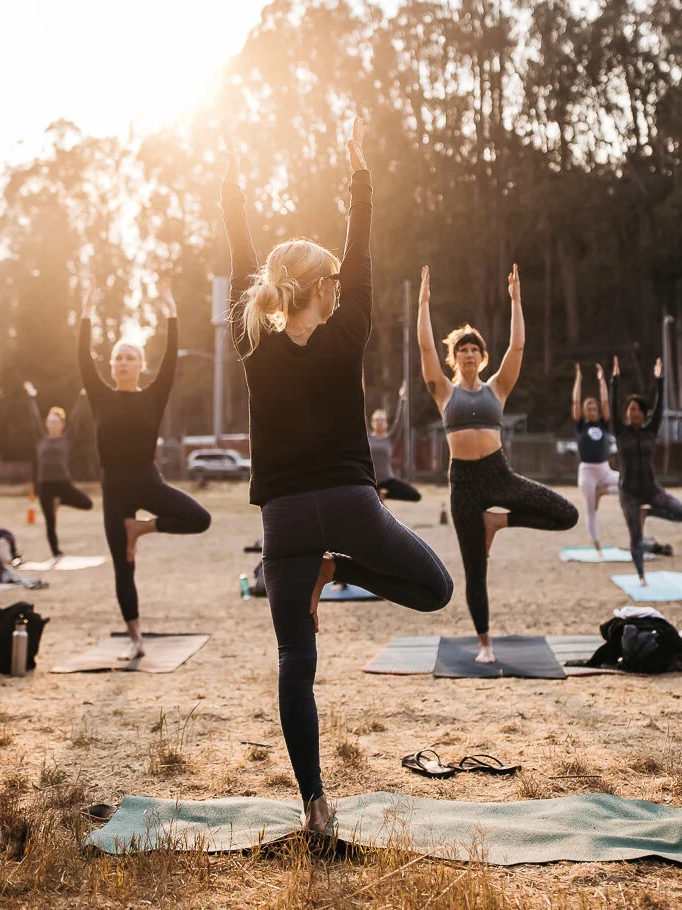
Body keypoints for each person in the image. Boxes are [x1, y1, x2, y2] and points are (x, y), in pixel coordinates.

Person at [221, 118, 452, 833]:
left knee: (296, 656)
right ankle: (339, 571)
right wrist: (359, 177)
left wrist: (232, 188)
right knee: (435, 588)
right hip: (351, 509)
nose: (344, 285)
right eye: (337, 281)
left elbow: (239, 260)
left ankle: (313, 801)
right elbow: (367, 250)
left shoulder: (253, 342)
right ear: (324, 288)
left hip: (284, 520)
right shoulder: (347, 331)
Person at [418, 263, 578, 664]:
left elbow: (518, 348)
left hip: (498, 473)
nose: (469, 353)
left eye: (475, 349)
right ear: (454, 358)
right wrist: (423, 302)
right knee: (475, 569)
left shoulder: (497, 389)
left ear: (483, 357)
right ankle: (484, 642)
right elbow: (423, 348)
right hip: (464, 484)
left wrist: (517, 301)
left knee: (566, 514)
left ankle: (499, 521)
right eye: (462, 349)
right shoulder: (444, 392)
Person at [79, 276, 211, 661]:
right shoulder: (100, 395)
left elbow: (171, 358)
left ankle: (142, 528)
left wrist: (170, 306)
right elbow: (82, 357)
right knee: (123, 567)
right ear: (112, 364)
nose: (123, 362)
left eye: (130, 357)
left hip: (147, 480)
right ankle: (135, 638)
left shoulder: (154, 394)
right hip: (115, 488)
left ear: (141, 364)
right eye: (119, 357)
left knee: (199, 517)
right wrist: (87, 310)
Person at [610, 356, 682, 584]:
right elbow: (614, 405)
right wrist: (614, 379)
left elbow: (660, 408)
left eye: (636, 410)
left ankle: (648, 512)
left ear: (643, 414)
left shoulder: (650, 431)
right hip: (629, 493)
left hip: (651, 490)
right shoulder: (620, 432)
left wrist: (660, 381)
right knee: (636, 535)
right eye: (629, 410)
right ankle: (641, 575)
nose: (632, 413)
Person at [24, 382, 93, 559]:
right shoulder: (40, 438)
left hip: (63, 483)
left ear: (62, 424)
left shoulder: (67, 439)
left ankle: (60, 501)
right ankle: (56, 552)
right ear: (47, 424)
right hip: (44, 485)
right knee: (50, 521)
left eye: (56, 422)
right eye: (50, 422)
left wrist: (82, 396)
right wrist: (32, 396)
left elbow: (76, 417)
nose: (52, 425)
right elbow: (34, 418)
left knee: (87, 504)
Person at [572, 362, 619, 554]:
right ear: (585, 412)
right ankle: (597, 543)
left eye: (594, 408)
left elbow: (606, 402)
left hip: (604, 469)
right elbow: (575, 402)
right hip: (588, 472)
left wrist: (602, 380)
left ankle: (603, 491)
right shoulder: (581, 425)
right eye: (588, 409)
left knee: (627, 483)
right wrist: (578, 380)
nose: (592, 411)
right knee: (591, 510)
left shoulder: (603, 424)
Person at [369, 383, 421, 502]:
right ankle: (377, 496)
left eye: (382, 420)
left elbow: (400, 421)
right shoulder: (367, 437)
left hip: (387, 480)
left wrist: (402, 399)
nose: (379, 423)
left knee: (415, 495)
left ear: (386, 423)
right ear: (372, 423)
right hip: (371, 482)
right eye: (376, 420)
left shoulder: (390, 439)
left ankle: (383, 495)